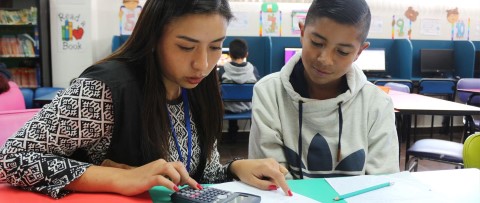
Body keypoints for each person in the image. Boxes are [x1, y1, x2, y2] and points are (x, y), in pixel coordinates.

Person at [0, 0, 291, 199]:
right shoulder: (107, 89)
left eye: (215, 47)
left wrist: (236, 167)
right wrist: (118, 178)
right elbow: (11, 159)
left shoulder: (202, 85)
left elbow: (198, 173)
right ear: (154, 38)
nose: (202, 64)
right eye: (186, 47)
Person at [248, 0, 399, 179]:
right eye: (317, 43)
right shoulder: (269, 93)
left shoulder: (377, 105)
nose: (325, 60)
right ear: (303, 33)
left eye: (342, 52)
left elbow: (382, 183)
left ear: (359, 52)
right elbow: (272, 179)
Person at [221, 38, 259, 143]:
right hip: (247, 107)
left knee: (229, 103)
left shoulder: (224, 69)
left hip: (228, 108)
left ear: (229, 54)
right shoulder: (253, 69)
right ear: (246, 54)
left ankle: (232, 135)